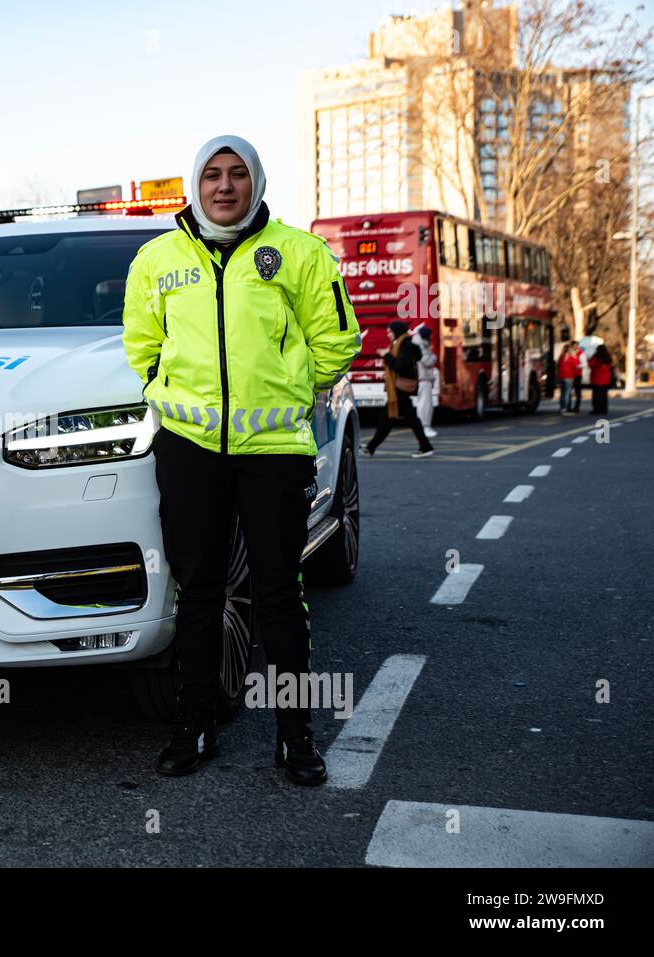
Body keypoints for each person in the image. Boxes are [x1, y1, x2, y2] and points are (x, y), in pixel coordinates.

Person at [122, 135, 361, 784]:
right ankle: (196, 723)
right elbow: (141, 344)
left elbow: (338, 339)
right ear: (195, 185)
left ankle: (295, 735)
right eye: (211, 176)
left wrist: (286, 389)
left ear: (254, 182)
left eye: (236, 175)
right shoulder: (157, 259)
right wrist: (169, 396)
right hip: (190, 451)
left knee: (279, 593)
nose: (223, 187)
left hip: (274, 452)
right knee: (198, 592)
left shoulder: (299, 255)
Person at [362, 321, 435, 458]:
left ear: (397, 332)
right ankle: (425, 446)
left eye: (390, 332)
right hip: (399, 388)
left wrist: (386, 355)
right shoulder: (401, 345)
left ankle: (371, 447)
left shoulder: (405, 346)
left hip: (400, 388)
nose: (388, 334)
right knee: (405, 418)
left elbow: (400, 366)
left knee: (389, 418)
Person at [413, 326, 438, 438]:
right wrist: (434, 357)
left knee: (423, 402)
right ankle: (424, 426)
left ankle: (423, 426)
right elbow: (427, 361)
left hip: (423, 377)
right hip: (423, 377)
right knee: (425, 403)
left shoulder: (420, 342)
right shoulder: (421, 344)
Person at [589, 344, 613, 415]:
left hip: (597, 379)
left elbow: (591, 364)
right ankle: (603, 409)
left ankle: (597, 409)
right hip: (605, 379)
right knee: (604, 395)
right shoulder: (607, 357)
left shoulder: (596, 357)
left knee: (596, 396)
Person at [557, 340, 578, 414]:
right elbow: (575, 366)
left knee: (562, 393)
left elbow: (558, 366)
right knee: (567, 393)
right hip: (569, 377)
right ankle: (565, 408)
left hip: (561, 376)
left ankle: (561, 407)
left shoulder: (561, 357)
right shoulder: (572, 357)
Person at [570, 341, 585, 413]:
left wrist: (577, 366)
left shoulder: (581, 353)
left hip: (577, 375)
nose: (575, 347)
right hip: (570, 375)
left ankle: (576, 407)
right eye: (573, 345)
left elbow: (584, 364)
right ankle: (568, 407)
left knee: (577, 392)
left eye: (576, 345)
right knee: (569, 392)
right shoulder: (570, 353)